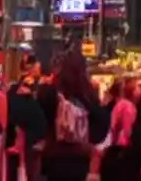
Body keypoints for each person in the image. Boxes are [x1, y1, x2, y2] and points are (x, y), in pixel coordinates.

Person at [37, 52, 106, 181]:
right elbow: (102, 127)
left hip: (54, 155)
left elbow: (39, 121)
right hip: (80, 158)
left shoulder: (51, 93)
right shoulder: (88, 96)